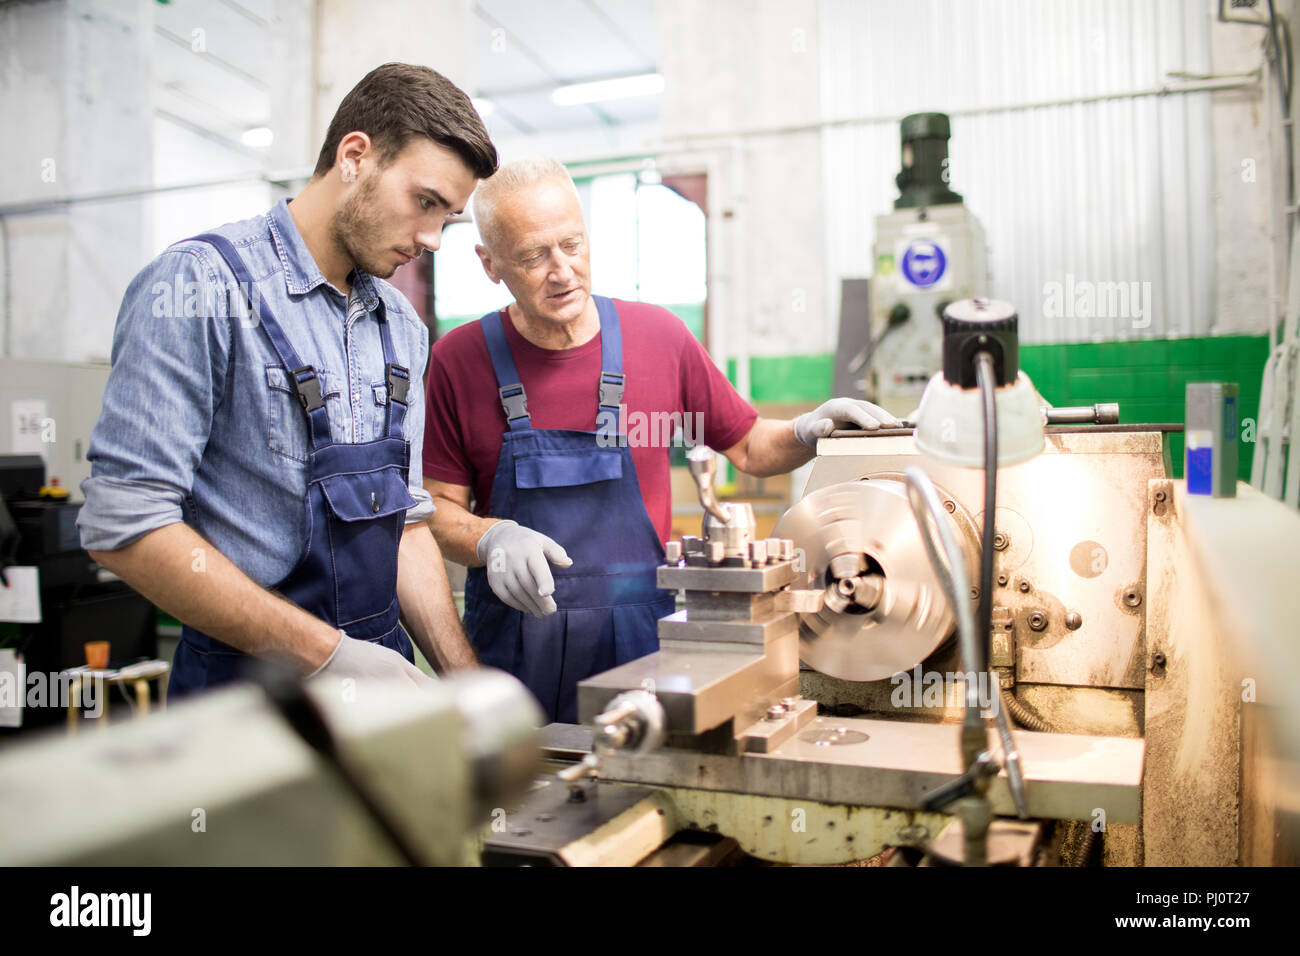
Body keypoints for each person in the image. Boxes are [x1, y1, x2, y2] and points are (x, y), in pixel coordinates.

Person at [422, 157, 898, 723]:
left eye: (572, 245)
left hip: (644, 647)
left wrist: (805, 429)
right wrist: (490, 537)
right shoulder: (459, 360)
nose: (561, 271)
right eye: (532, 256)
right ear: (490, 263)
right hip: (516, 654)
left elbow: (748, 445)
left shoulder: (660, 338)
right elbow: (436, 512)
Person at [78, 63, 492, 697]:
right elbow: (124, 525)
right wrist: (327, 656)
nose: (433, 238)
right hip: (245, 698)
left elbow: (404, 523)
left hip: (382, 689)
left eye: (449, 218)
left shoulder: (402, 329)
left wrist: (468, 686)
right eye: (426, 202)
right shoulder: (200, 286)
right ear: (355, 156)